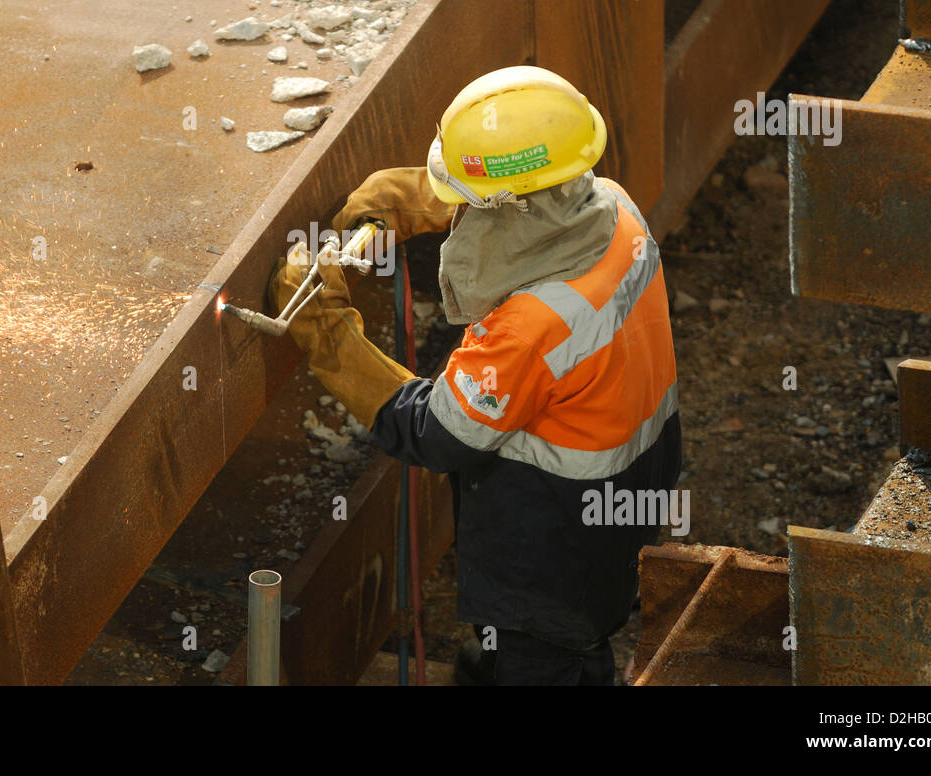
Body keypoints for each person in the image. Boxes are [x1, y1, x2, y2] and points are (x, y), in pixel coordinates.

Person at [271, 66, 681, 685]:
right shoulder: (614, 208)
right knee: (554, 644)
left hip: (554, 548)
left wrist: (326, 333)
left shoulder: (529, 327)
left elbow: (434, 433)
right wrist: (425, 198)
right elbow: (531, 204)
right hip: (626, 489)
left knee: (548, 656)